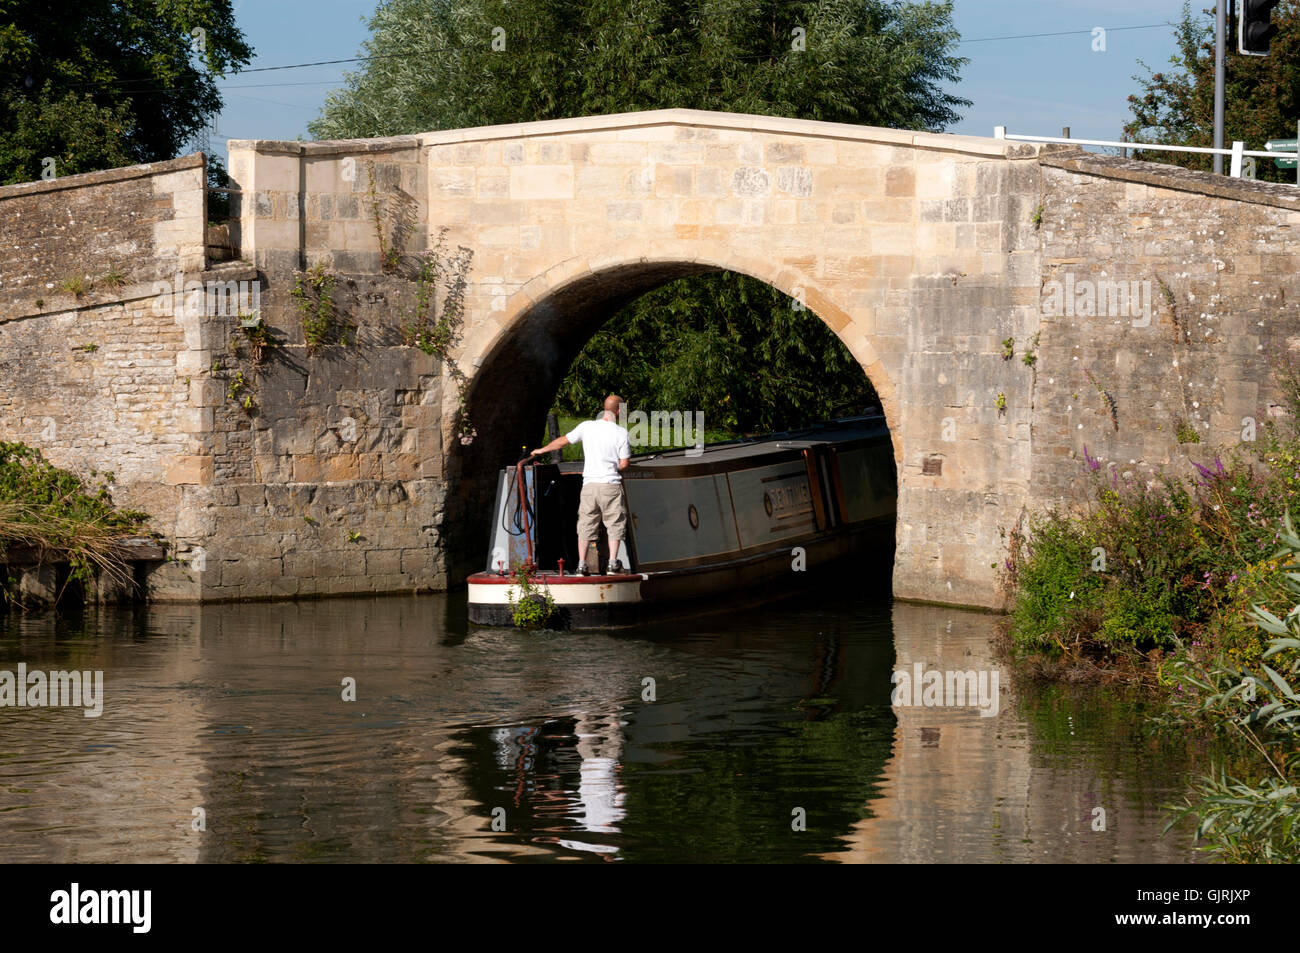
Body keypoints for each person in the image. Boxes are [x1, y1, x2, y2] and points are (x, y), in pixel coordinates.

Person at [531, 394, 632, 575]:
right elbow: (624, 464)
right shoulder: (621, 433)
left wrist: (542, 450)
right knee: (614, 524)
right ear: (619, 411)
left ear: (603, 409)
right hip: (610, 484)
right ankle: (612, 564)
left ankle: (581, 565)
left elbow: (563, 441)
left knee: (585, 524)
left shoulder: (586, 427)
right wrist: (613, 465)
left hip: (589, 485)